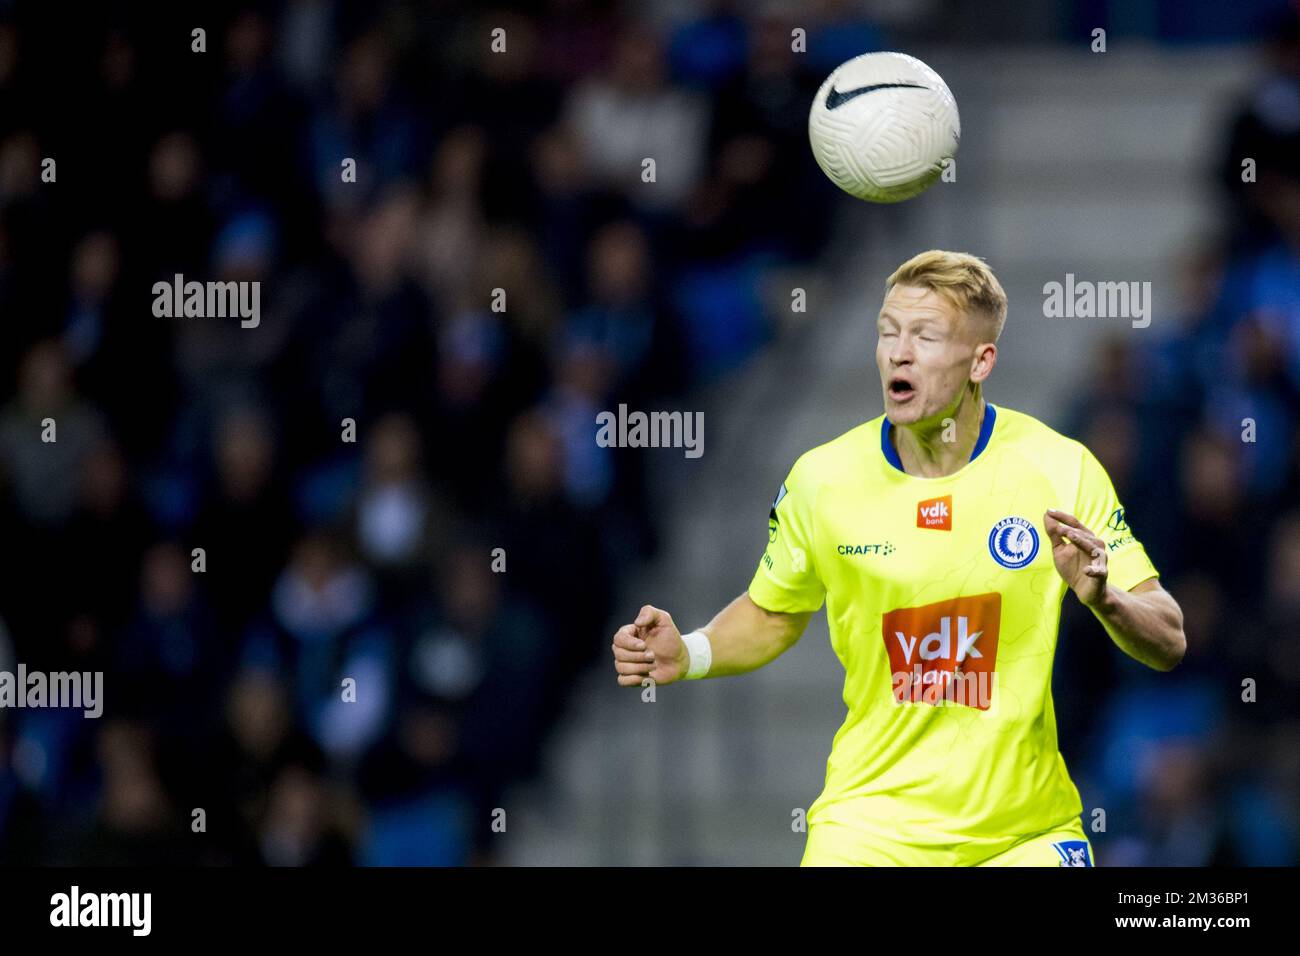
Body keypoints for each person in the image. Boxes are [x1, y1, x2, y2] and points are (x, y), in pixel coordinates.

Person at [610, 249, 1186, 866]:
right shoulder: (823, 481)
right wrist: (690, 651)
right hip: (869, 830)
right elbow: (775, 612)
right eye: (887, 333)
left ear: (980, 360)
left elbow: (1170, 637)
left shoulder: (1059, 468)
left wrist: (1107, 601)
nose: (898, 353)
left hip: (1023, 836)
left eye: (926, 336)